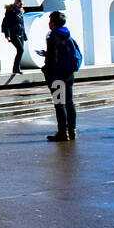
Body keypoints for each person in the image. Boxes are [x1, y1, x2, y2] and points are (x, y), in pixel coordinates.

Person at [41, 10, 79, 141]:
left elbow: (54, 59)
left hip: (57, 75)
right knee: (69, 102)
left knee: (59, 104)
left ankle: (62, 132)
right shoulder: (67, 34)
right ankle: (72, 130)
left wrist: (46, 69)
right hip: (69, 74)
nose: (49, 23)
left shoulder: (53, 37)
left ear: (54, 23)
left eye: (50, 20)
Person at [0, 0, 27, 74]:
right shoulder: (10, 11)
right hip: (13, 33)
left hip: (20, 33)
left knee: (20, 51)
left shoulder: (20, 12)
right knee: (21, 50)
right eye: (20, 4)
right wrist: (7, 35)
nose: (22, 6)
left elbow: (22, 24)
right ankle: (16, 68)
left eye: (22, 4)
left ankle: (17, 68)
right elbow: (6, 24)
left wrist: (24, 35)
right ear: (16, 3)